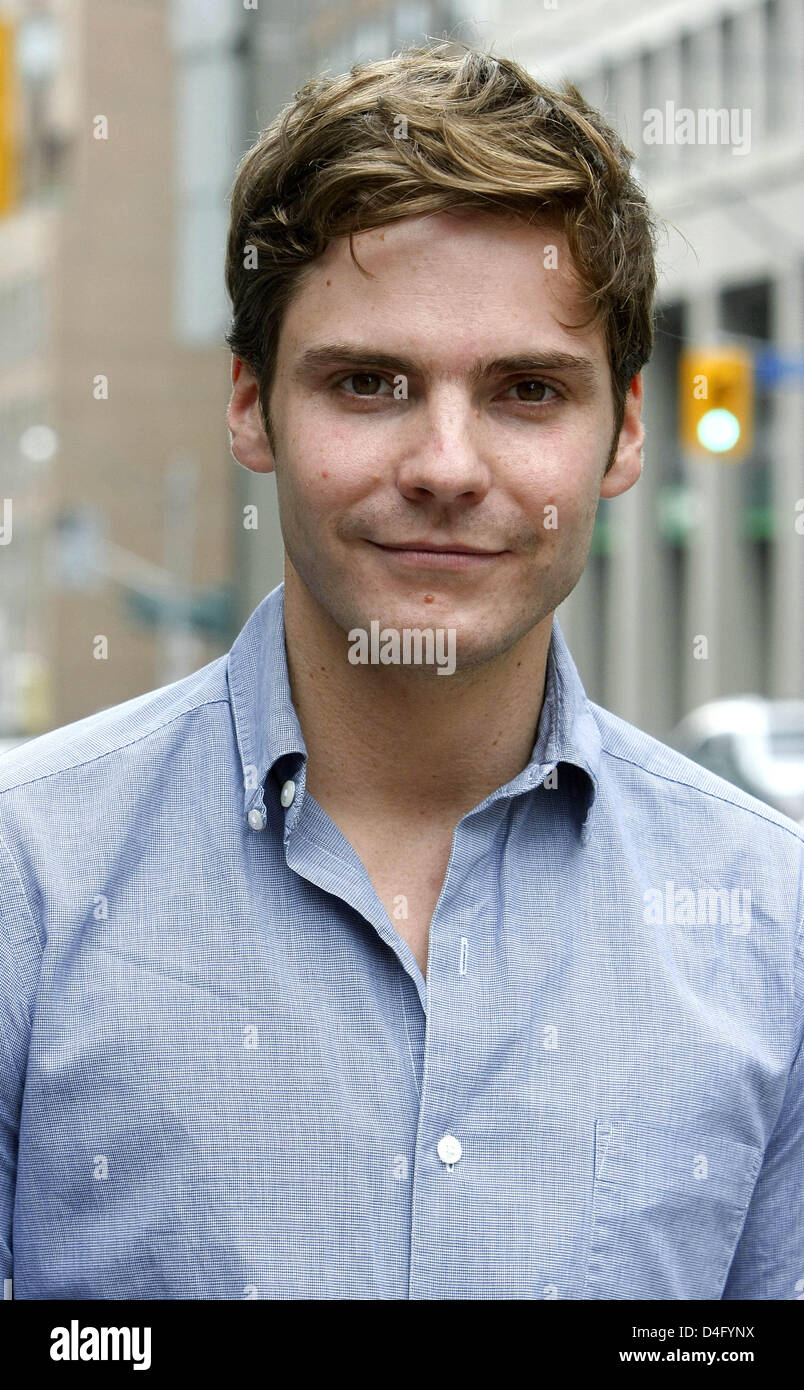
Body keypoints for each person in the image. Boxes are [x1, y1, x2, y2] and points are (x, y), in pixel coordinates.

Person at [1, 44, 801, 1301]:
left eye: (526, 391)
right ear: (252, 406)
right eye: (369, 383)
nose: (445, 464)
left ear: (626, 431)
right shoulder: (24, 883)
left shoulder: (775, 927)